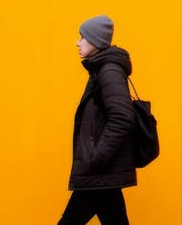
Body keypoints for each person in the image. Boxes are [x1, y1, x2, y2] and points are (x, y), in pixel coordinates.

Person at [58, 15, 136, 225]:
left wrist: (97, 156)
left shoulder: (109, 71)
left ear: (95, 40)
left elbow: (122, 117)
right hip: (102, 173)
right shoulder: (102, 69)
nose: (77, 42)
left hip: (98, 171)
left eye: (82, 37)